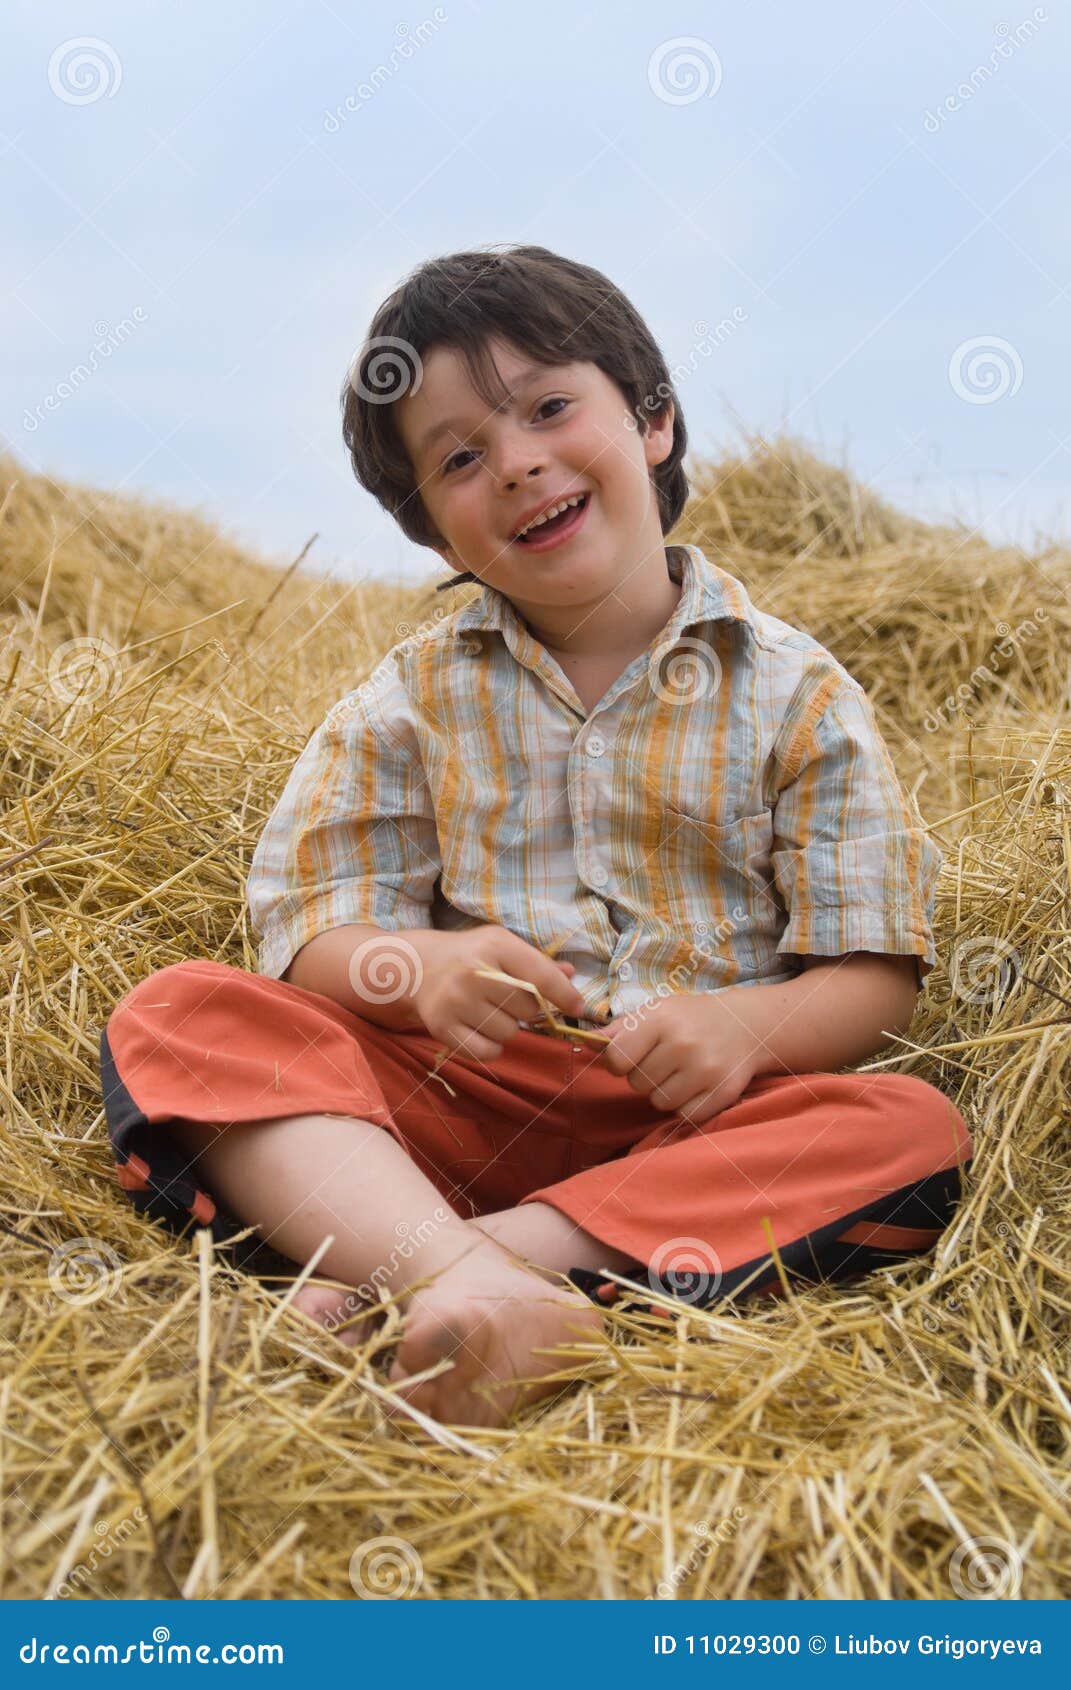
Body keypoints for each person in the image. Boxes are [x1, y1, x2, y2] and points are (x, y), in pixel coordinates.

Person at [100, 245, 972, 1430]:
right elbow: (313, 926)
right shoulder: (412, 696)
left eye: (551, 408)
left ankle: (447, 1271)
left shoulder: (794, 692)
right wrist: (418, 971)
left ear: (653, 419)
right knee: (182, 1015)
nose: (517, 462)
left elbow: (874, 969)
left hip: (689, 1125)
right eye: (460, 457)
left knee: (907, 1129)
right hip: (453, 1106)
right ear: (437, 532)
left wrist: (744, 1025)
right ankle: (457, 1271)